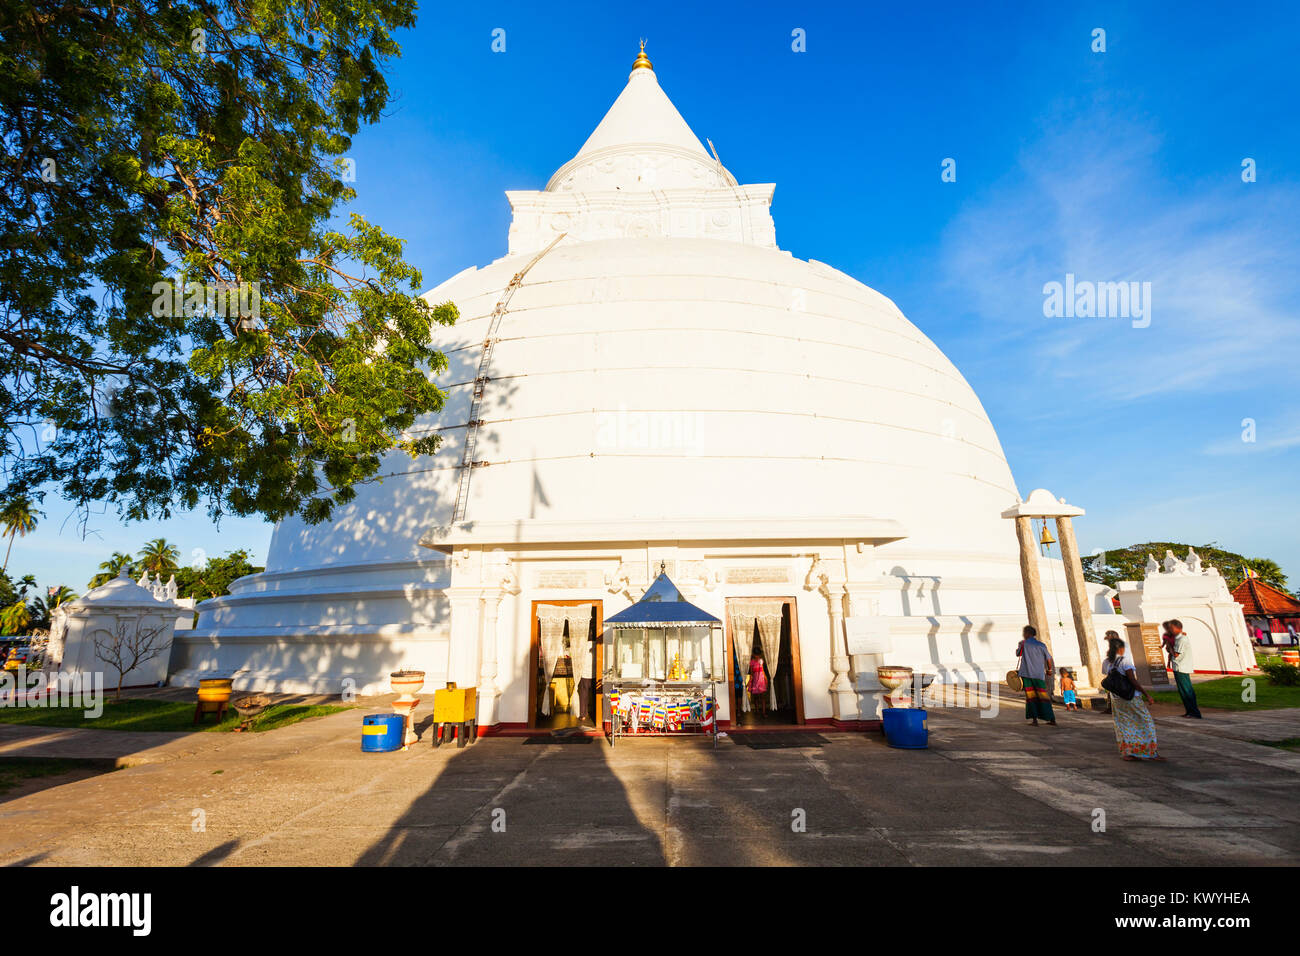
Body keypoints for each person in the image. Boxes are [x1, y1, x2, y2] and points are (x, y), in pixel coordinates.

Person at [1102, 631, 1162, 760]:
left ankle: (1128, 752)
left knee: (1124, 723)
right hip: (1131, 696)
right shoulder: (1125, 661)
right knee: (1146, 722)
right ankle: (1150, 752)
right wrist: (1147, 694)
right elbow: (1132, 680)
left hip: (1117, 698)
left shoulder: (1107, 662)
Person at [1016, 625, 1056, 726]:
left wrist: (1020, 645)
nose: (1023, 635)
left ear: (1027, 634)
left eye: (1024, 633)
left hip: (1027, 675)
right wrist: (1049, 669)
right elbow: (1048, 659)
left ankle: (1035, 720)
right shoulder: (1041, 645)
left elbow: (1018, 654)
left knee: (1031, 698)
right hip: (1039, 675)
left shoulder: (1023, 644)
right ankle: (1051, 719)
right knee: (1044, 697)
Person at [1168, 619, 1202, 719]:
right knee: (1183, 690)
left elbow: (1176, 654)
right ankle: (1189, 711)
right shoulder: (1179, 638)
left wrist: (1169, 648)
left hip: (1181, 667)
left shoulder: (1182, 639)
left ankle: (1194, 712)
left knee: (1187, 690)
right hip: (1178, 667)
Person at [746, 650, 768, 717]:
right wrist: (750, 680)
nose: (757, 656)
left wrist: (765, 678)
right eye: (756, 655)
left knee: (762, 696)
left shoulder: (761, 660)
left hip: (761, 679)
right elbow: (752, 672)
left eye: (758, 655)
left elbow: (763, 670)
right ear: (753, 654)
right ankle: (757, 710)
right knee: (756, 696)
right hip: (755, 679)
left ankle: (764, 712)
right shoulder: (752, 662)